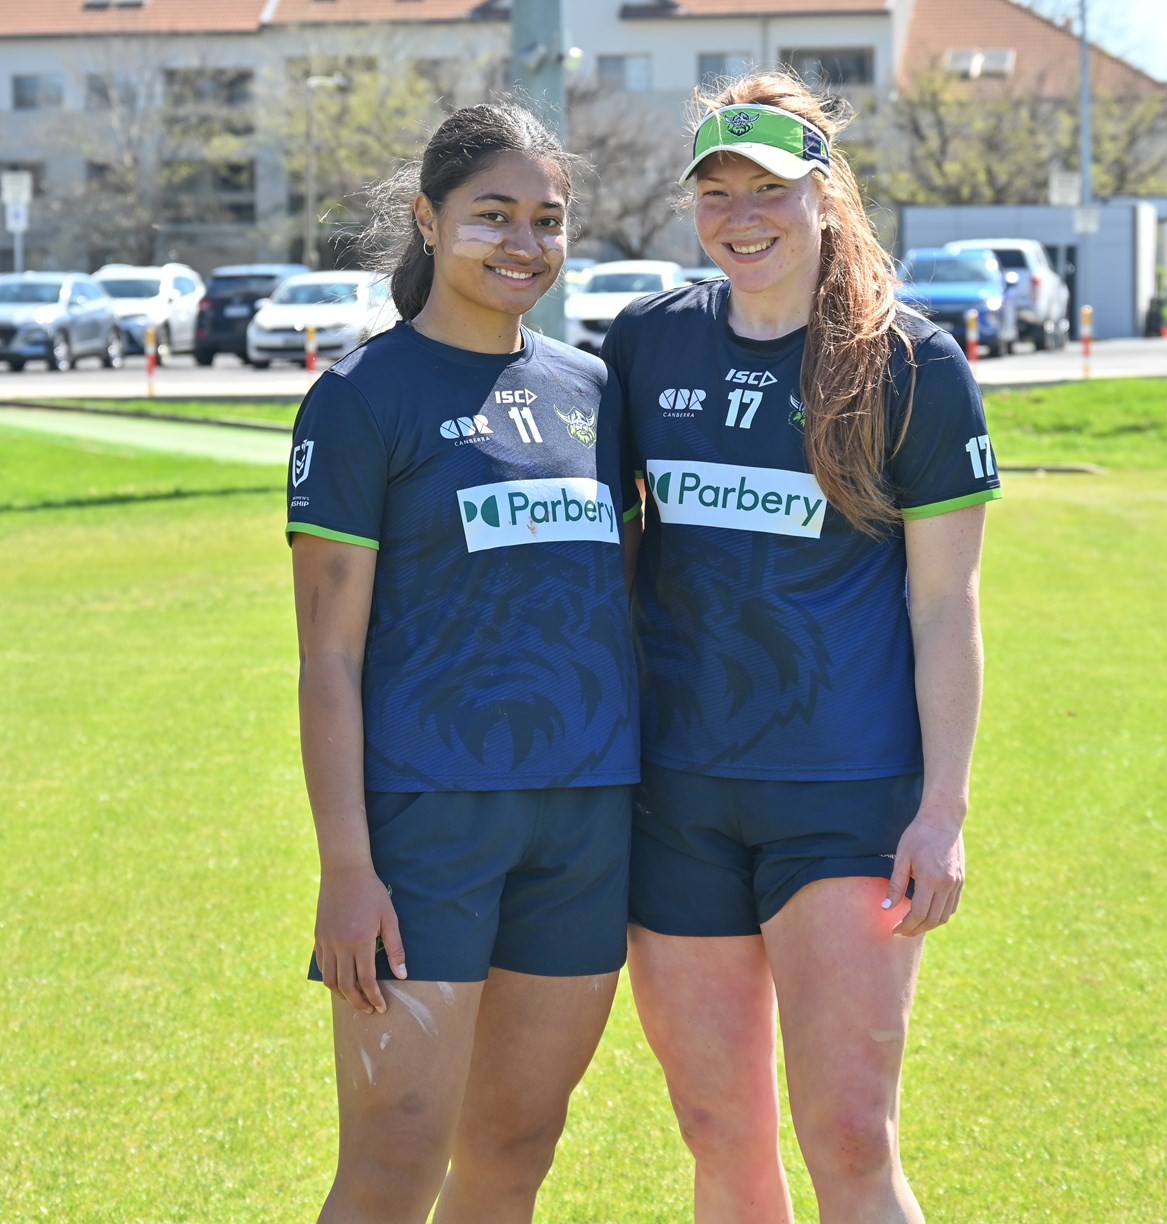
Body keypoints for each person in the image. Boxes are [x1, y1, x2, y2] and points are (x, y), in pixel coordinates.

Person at [601, 70, 1001, 1223]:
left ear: (826, 195)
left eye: (769, 188)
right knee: (719, 1134)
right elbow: (611, 556)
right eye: (715, 191)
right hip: (677, 802)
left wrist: (942, 813)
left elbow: (946, 605)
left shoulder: (913, 364)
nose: (741, 215)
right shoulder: (647, 345)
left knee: (850, 1136)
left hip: (846, 803)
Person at [286, 101, 640, 1224]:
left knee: (515, 1151)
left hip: (584, 821)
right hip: (425, 823)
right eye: (494, 215)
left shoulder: (593, 392)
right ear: (430, 220)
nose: (524, 242)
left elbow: (621, 598)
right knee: (393, 1164)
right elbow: (327, 658)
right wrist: (347, 868)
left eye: (549, 219)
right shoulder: (360, 397)